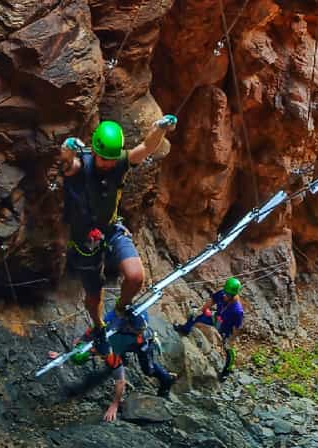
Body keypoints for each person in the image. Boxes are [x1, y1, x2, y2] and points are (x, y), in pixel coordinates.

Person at [58, 115, 177, 355]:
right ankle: (99, 326)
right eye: (104, 159)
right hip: (85, 242)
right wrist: (67, 149)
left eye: (112, 159)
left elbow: (146, 148)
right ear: (95, 151)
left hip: (111, 229)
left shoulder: (119, 162)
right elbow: (67, 164)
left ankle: (122, 308)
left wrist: (160, 129)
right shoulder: (83, 165)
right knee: (94, 294)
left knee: (135, 277)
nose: (108, 164)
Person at [48, 310, 177, 422]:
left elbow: (120, 381)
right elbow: (80, 342)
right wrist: (64, 356)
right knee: (118, 356)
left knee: (148, 370)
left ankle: (167, 380)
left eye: (92, 353)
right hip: (125, 339)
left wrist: (114, 405)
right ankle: (124, 356)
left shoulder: (111, 355)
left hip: (141, 344)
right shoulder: (99, 331)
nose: (92, 354)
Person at [174, 277, 244, 380]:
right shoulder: (223, 294)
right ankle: (185, 329)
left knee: (229, 351)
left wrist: (231, 340)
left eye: (227, 295)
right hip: (216, 319)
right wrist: (201, 310)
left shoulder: (237, 311)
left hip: (226, 329)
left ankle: (227, 370)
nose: (224, 295)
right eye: (225, 292)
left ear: (233, 295)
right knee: (196, 316)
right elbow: (212, 300)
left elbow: (236, 328)